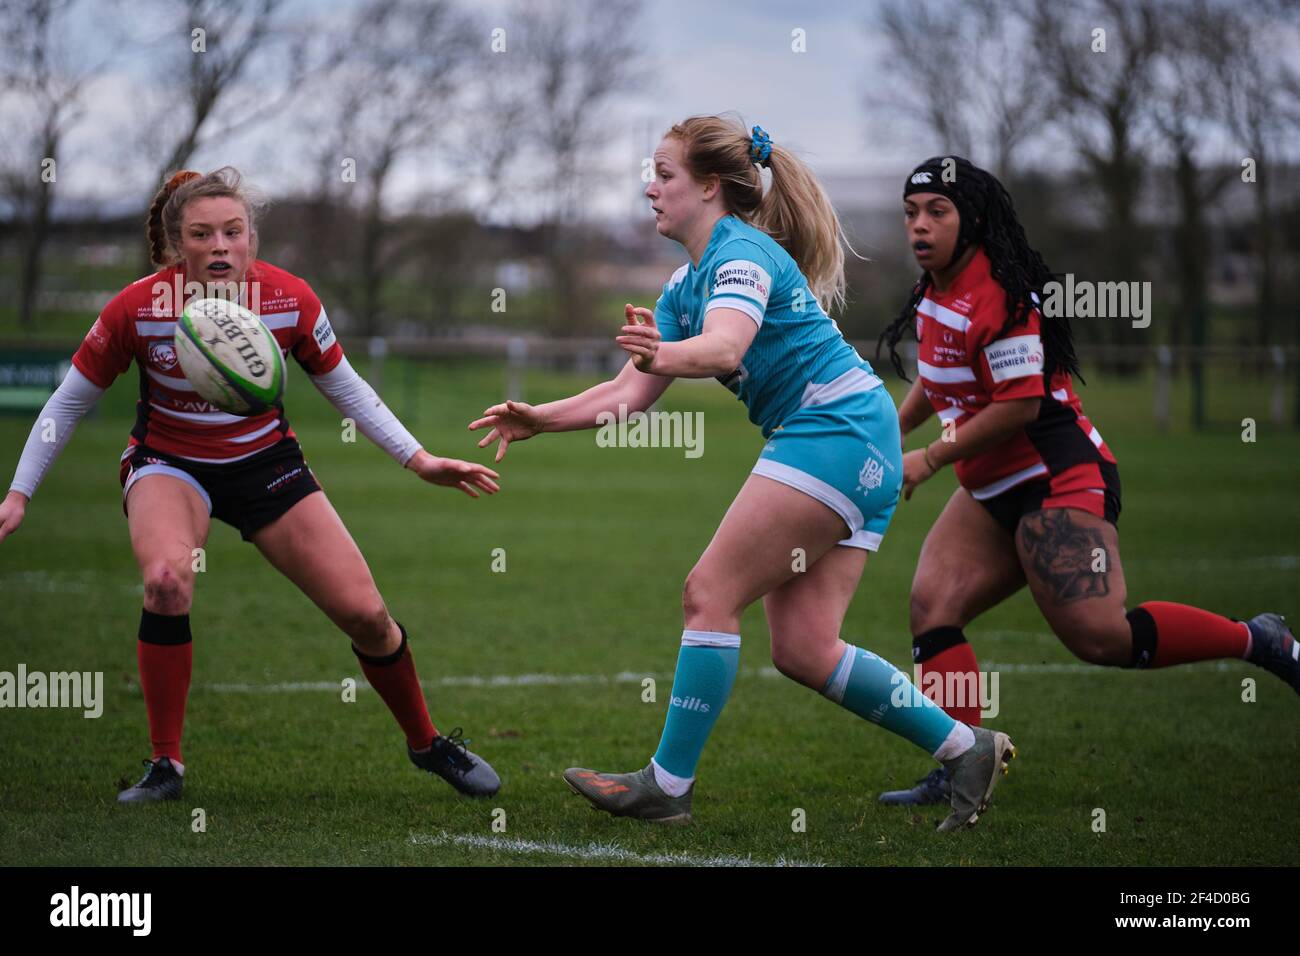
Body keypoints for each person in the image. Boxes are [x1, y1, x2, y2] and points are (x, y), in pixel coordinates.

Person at [470, 118, 1015, 832]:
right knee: (804, 649)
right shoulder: (686, 282)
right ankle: (964, 746)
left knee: (709, 591)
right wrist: (540, 417)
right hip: (854, 435)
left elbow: (725, 347)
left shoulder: (742, 255)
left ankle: (666, 786)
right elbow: (627, 395)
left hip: (835, 433)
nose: (649, 187)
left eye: (664, 174)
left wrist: (660, 356)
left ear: (708, 186)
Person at [0, 167, 503, 802]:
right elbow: (67, 404)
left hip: (268, 466)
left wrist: (419, 458)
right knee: (165, 583)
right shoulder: (138, 306)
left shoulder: (290, 297)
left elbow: (345, 386)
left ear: (252, 240)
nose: (219, 246)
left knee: (368, 615)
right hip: (169, 465)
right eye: (201, 234)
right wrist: (20, 493)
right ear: (176, 244)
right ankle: (165, 766)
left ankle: (428, 743)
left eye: (232, 232)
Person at [875, 155, 1298, 807]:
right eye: (911, 213)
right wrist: (891, 436)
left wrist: (929, 459)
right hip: (989, 489)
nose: (919, 226)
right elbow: (940, 377)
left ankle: (1260, 639)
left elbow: (1017, 403)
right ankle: (963, 761)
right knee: (934, 609)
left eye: (937, 212)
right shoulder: (934, 288)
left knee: (1101, 637)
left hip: (1055, 481)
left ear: (974, 220)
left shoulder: (1001, 292)